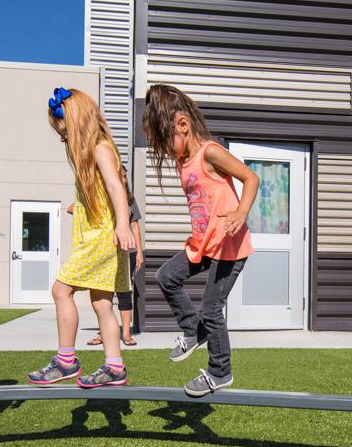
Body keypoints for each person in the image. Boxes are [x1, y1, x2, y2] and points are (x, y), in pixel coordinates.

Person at [142, 84, 259, 397]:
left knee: (211, 309)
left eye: (165, 142)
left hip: (230, 246)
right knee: (166, 276)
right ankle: (193, 331)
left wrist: (241, 211)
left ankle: (220, 371)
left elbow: (251, 177)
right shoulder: (183, 161)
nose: (166, 151)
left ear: (182, 124)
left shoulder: (210, 152)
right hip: (204, 243)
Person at [28, 87, 135, 388]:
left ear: (76, 123)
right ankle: (114, 366)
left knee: (60, 290)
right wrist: (82, 206)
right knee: (102, 304)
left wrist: (123, 225)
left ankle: (66, 360)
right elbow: (102, 192)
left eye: (64, 131)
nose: (63, 137)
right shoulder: (92, 152)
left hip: (102, 237)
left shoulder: (100, 148)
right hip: (98, 234)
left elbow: (116, 188)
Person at [86, 192, 144, 347]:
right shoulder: (100, 196)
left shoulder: (129, 199)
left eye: (123, 179)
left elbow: (134, 226)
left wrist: (139, 252)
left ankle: (126, 333)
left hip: (127, 251)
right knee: (104, 293)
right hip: (105, 252)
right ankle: (103, 333)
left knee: (124, 292)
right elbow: (72, 209)